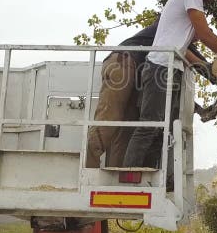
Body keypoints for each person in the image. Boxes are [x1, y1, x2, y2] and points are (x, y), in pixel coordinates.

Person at [122, 0, 217, 171]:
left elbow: (187, 54)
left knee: (163, 130)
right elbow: (205, 35)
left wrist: (211, 70)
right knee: (150, 125)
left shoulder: (178, 32)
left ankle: (149, 178)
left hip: (168, 68)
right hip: (159, 66)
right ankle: (128, 178)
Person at [85, 16, 206, 168]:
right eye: (198, 29)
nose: (199, 38)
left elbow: (166, 92)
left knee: (124, 132)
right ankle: (89, 173)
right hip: (123, 63)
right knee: (108, 120)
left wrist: (198, 108)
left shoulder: (167, 37)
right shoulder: (170, 31)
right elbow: (198, 61)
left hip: (134, 74)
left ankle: (116, 183)